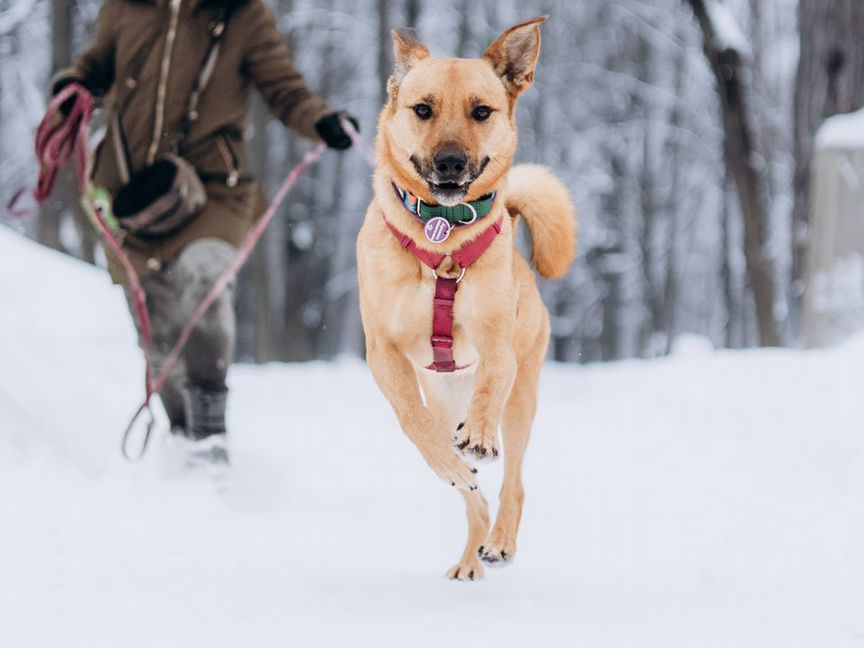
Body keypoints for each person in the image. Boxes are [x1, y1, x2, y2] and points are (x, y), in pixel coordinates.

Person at [48, 0, 358, 464]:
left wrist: (320, 120)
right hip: (130, 196)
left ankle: (210, 436)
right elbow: (96, 65)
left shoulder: (245, 16)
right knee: (156, 324)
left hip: (213, 191)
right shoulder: (123, 7)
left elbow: (285, 90)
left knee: (205, 277)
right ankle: (181, 436)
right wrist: (74, 87)